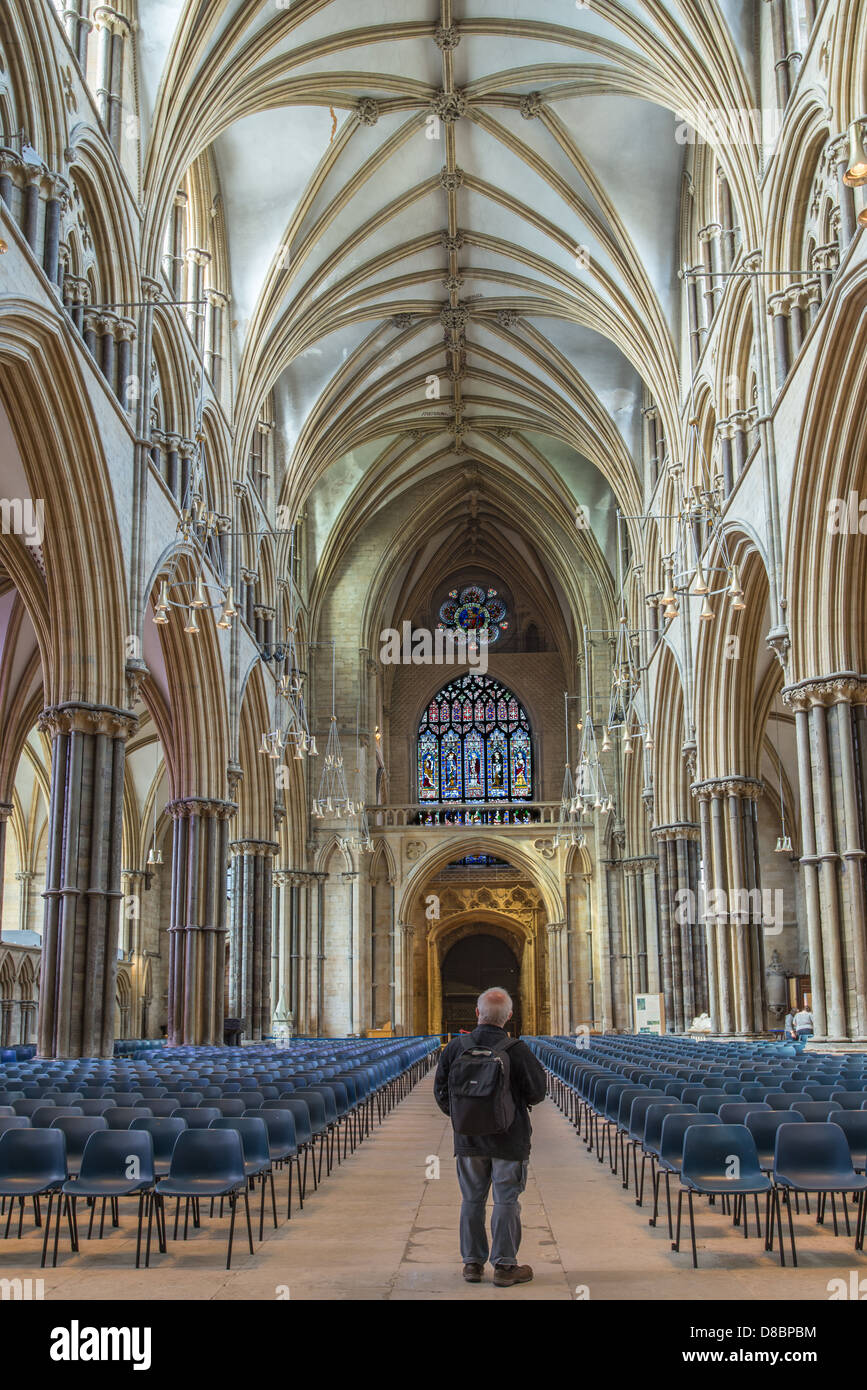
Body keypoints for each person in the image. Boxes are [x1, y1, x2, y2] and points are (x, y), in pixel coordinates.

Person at [434, 987, 547, 1288]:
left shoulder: (456, 1048)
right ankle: (505, 1266)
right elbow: (537, 1093)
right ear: (509, 1017)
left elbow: (441, 1093)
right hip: (509, 1139)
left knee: (471, 1198)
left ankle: (472, 1264)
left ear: (477, 1014)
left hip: (469, 1139)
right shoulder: (517, 1050)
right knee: (506, 1200)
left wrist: (464, 1118)